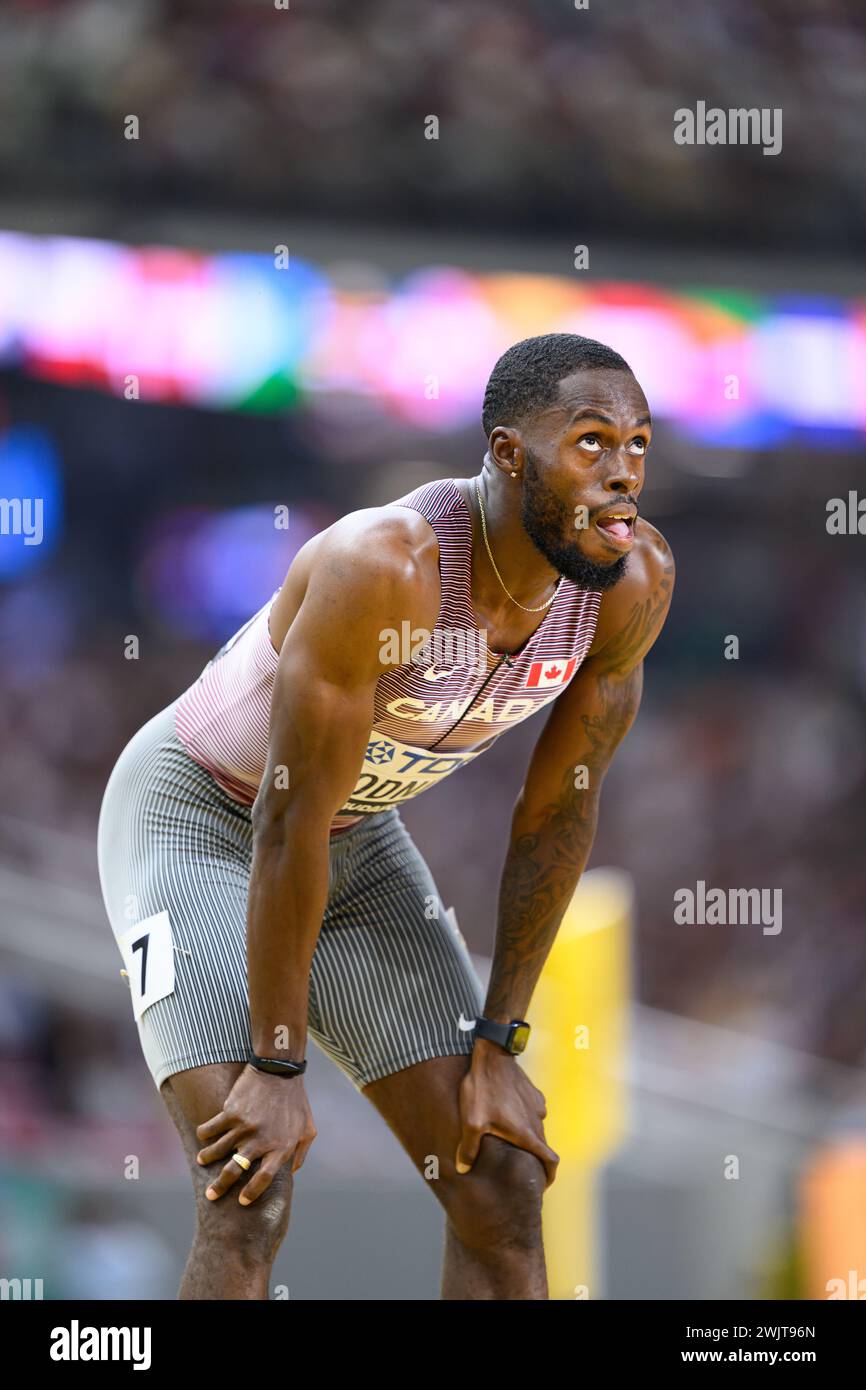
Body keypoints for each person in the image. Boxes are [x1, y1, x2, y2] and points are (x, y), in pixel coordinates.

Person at [97, 333, 674, 1299]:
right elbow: (283, 824)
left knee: (499, 1177)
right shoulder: (386, 564)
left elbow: (556, 819)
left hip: (351, 834)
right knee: (250, 1187)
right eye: (590, 443)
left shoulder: (630, 588)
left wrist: (500, 1045)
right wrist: (278, 1069)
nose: (623, 475)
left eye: (639, 444)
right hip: (198, 812)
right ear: (507, 456)